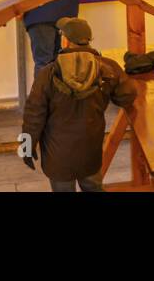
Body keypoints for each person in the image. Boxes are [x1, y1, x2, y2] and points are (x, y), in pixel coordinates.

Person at [19, 16, 137, 191]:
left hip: (57, 156)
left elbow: (33, 117)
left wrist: (27, 148)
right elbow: (127, 96)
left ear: (65, 41)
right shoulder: (107, 68)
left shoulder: (47, 75)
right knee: (93, 187)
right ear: (88, 41)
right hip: (90, 150)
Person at [23, 0, 80, 72]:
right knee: (63, 62)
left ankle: (45, 84)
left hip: (39, 10)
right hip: (66, 8)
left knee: (44, 63)